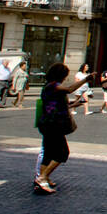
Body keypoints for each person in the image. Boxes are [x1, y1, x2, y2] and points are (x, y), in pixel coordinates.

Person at [36, 63, 88, 194]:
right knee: (62, 153)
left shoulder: (48, 86)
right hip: (53, 125)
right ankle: (42, 177)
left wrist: (74, 104)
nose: (65, 78)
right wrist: (86, 80)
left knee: (48, 153)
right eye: (64, 75)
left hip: (47, 123)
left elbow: (56, 104)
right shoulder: (53, 86)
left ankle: (43, 180)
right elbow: (70, 89)